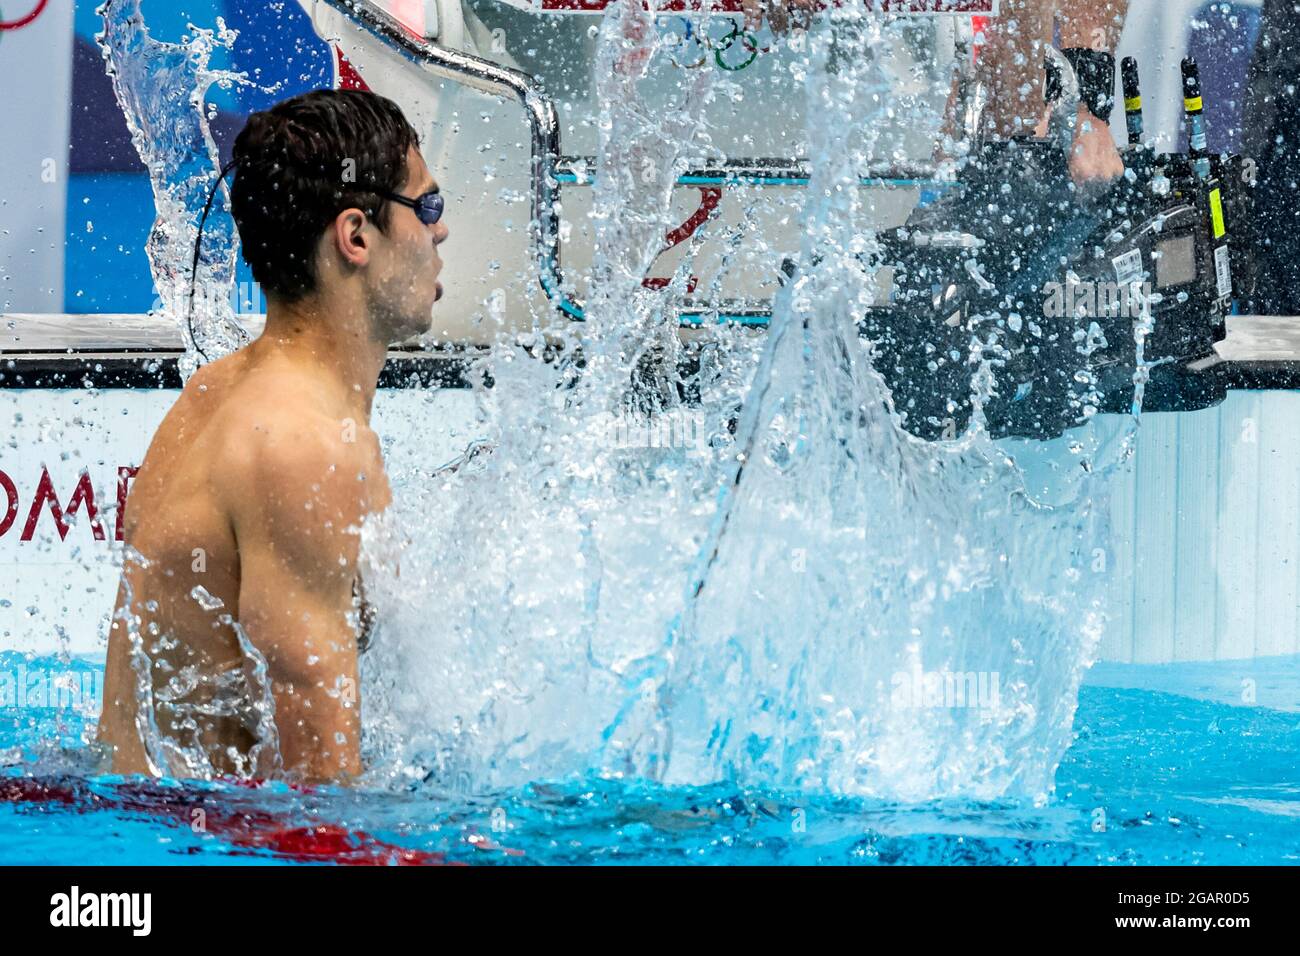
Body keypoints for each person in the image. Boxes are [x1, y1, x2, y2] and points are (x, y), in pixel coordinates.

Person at [95, 89, 449, 783]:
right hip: (196, 841)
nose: (440, 232)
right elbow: (319, 811)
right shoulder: (301, 445)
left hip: (151, 818)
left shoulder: (224, 392)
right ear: (356, 236)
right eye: (427, 207)